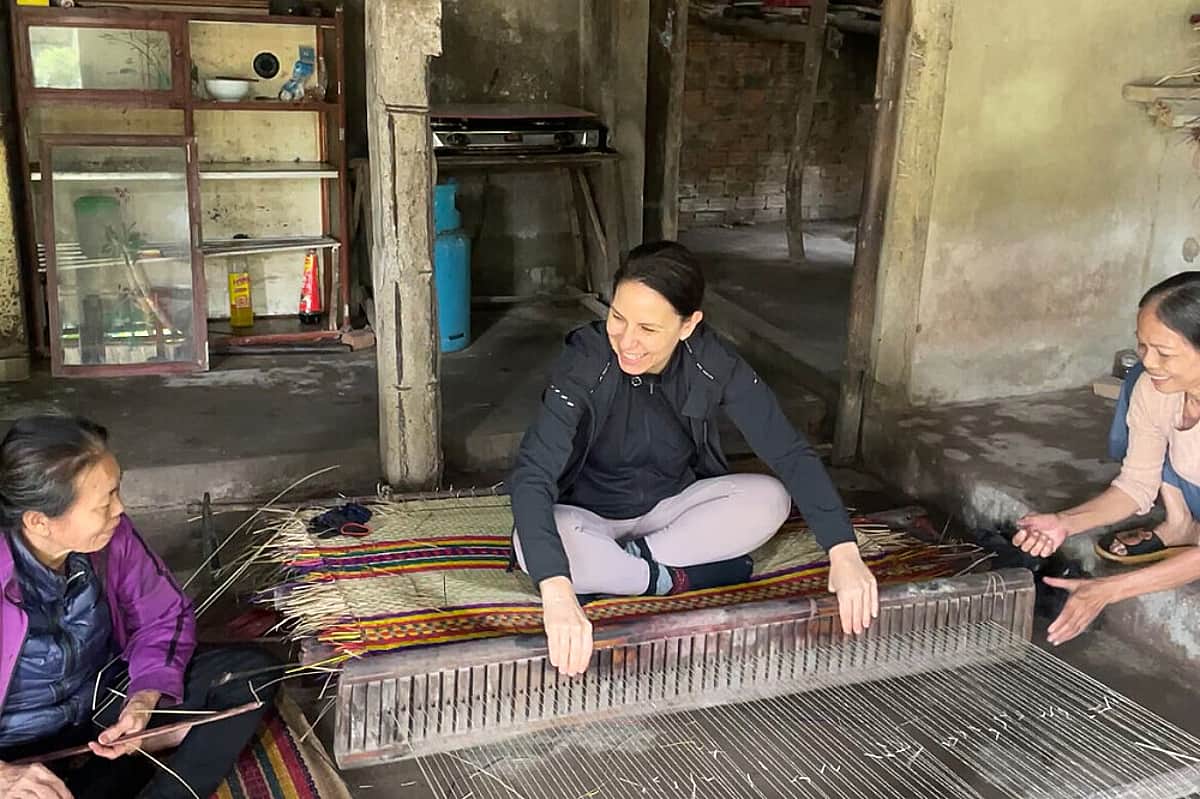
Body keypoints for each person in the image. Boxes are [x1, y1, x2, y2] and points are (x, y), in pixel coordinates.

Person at [510, 241, 878, 678]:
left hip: (672, 514)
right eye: (618, 318)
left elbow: (788, 450)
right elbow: (533, 473)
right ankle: (671, 579)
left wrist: (843, 551)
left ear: (688, 325)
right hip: (588, 517)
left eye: (648, 328)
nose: (627, 341)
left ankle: (623, 569)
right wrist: (556, 593)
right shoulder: (585, 361)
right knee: (532, 548)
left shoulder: (710, 361)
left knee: (771, 500)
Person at [0, 415, 278, 799]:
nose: (120, 508)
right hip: (12, 748)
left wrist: (144, 697)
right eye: (104, 503)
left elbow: (163, 616)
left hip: (99, 711)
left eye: (116, 491)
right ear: (39, 521)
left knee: (250, 676)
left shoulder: (112, 537)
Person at [1015, 272, 1200, 646]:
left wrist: (1108, 590)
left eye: (1164, 353)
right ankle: (1185, 526)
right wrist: (1065, 522)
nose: (1149, 361)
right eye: (1142, 345)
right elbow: (1136, 484)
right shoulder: (1155, 390)